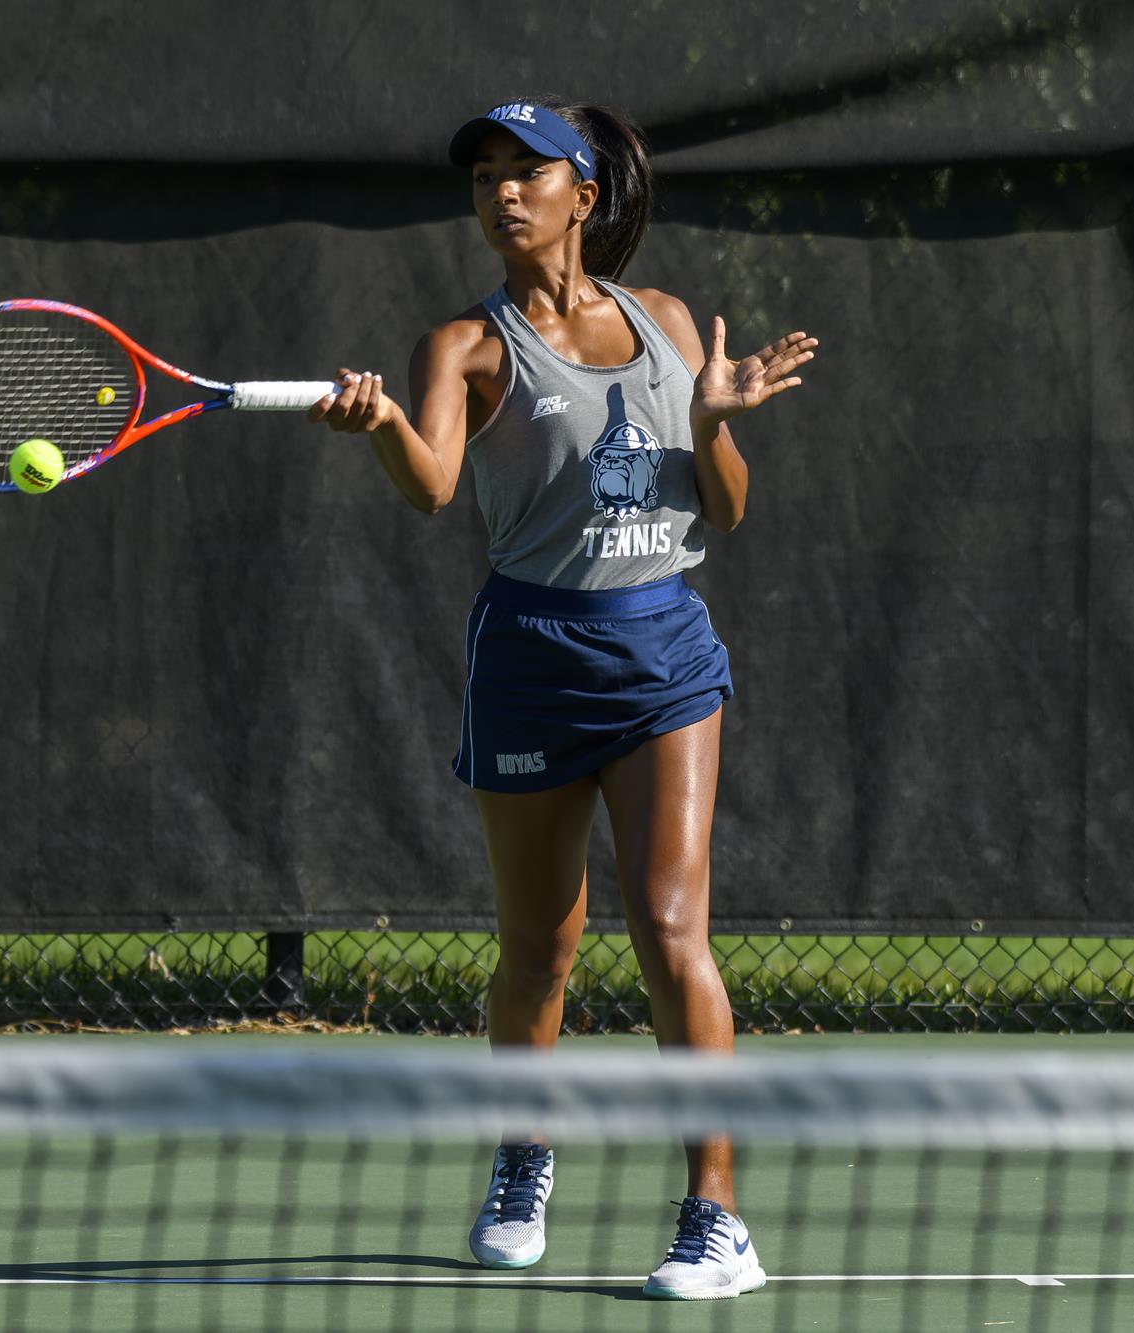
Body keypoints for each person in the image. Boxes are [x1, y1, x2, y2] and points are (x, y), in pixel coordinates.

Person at [306, 97, 817, 1301]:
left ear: (582, 195)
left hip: (663, 655)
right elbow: (433, 486)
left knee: (670, 926)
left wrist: (711, 421)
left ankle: (715, 1219)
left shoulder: (669, 323)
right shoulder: (461, 347)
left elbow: (725, 509)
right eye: (483, 174)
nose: (500, 192)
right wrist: (381, 422)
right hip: (532, 659)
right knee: (538, 950)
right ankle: (521, 1155)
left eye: (523, 171)